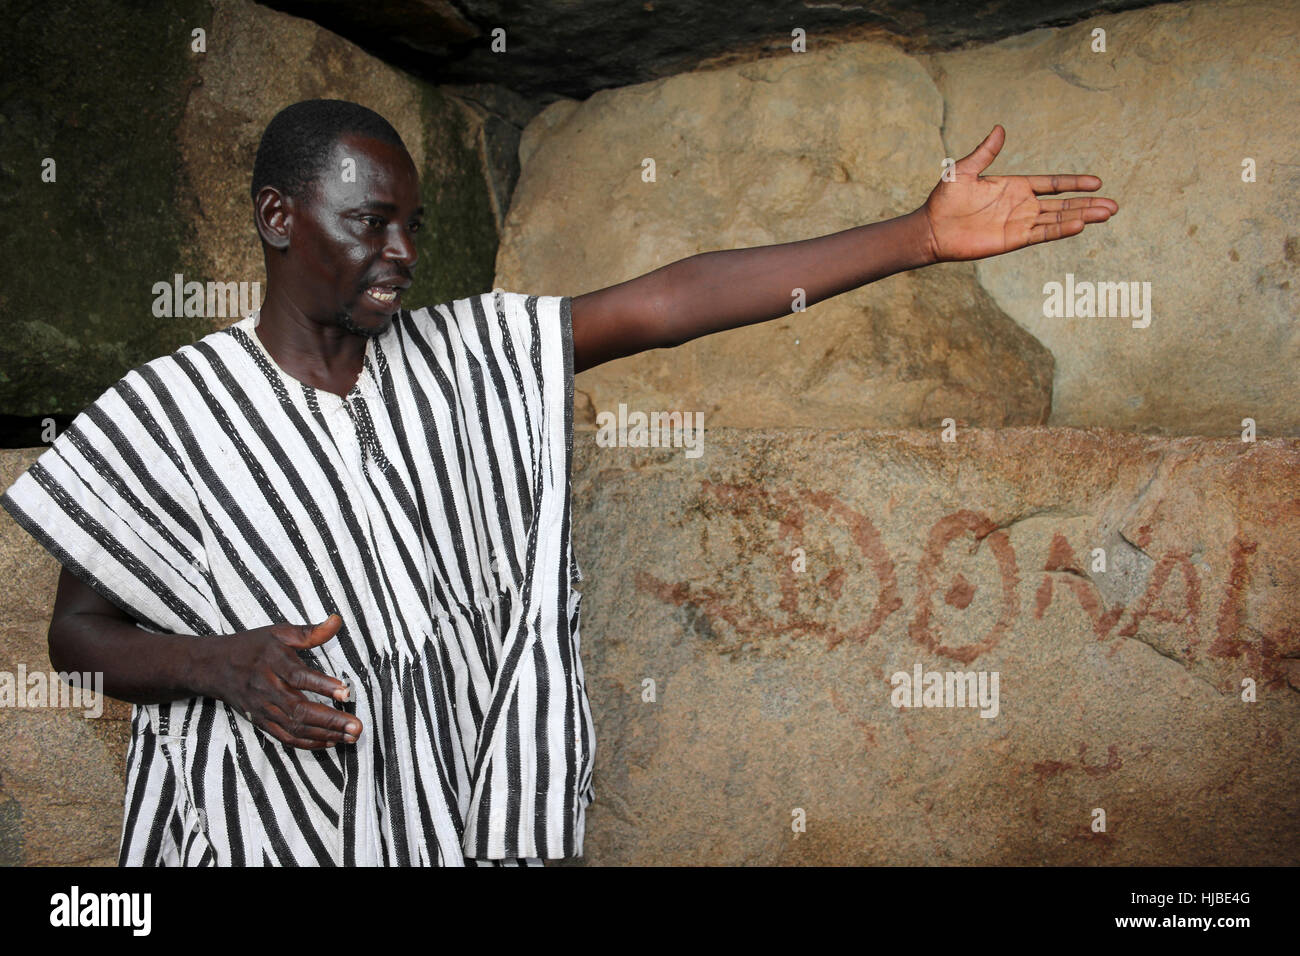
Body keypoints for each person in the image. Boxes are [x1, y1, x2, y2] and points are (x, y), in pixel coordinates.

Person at [0, 99, 1116, 866]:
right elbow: (77, 635)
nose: (400, 253)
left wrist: (915, 236)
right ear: (279, 219)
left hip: (444, 821)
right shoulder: (169, 409)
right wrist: (221, 664)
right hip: (259, 828)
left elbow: (668, 302)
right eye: (367, 223)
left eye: (414, 228)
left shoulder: (465, 354)